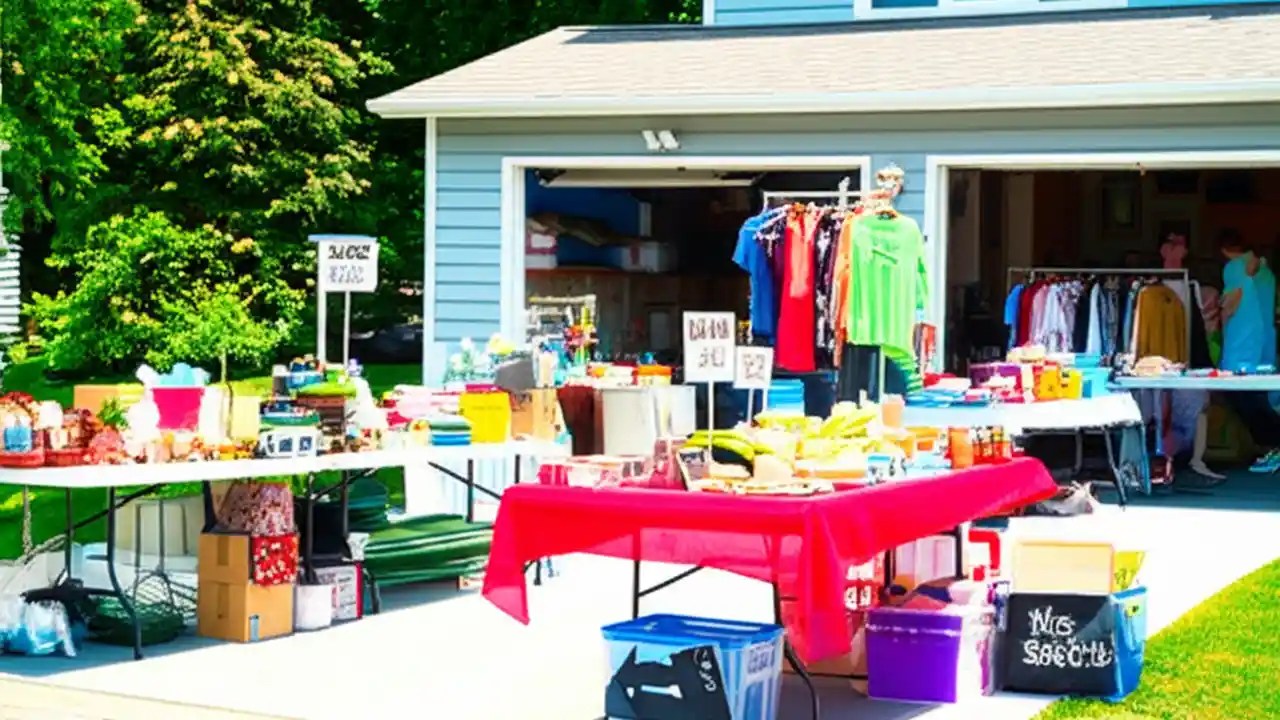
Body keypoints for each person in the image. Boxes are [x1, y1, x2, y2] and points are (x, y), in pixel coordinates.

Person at [1216, 228, 1280, 457]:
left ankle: (1271, 443)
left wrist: (1219, 314)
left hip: (1242, 342)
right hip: (1264, 341)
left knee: (1241, 394)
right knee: (1260, 394)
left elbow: (1232, 303)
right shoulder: (1265, 270)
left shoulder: (1234, 268)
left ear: (1224, 249)